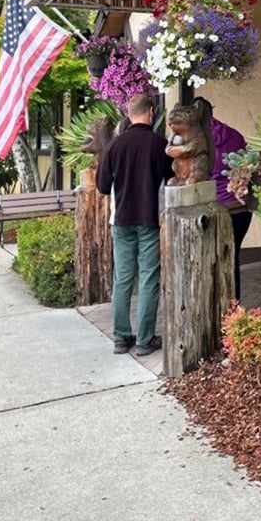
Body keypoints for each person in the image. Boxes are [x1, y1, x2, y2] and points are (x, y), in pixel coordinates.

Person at [96, 93, 173, 355]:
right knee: (149, 278)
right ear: (151, 113)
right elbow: (172, 178)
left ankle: (120, 337)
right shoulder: (158, 144)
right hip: (149, 219)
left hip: (120, 221)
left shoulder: (114, 146)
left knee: (123, 279)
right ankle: (144, 340)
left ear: (129, 115)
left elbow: (103, 187)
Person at [193, 97, 253, 301]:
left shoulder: (196, 141)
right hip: (239, 207)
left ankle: (215, 308)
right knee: (232, 258)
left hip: (212, 211)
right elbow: (248, 167)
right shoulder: (234, 135)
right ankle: (233, 307)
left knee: (210, 262)